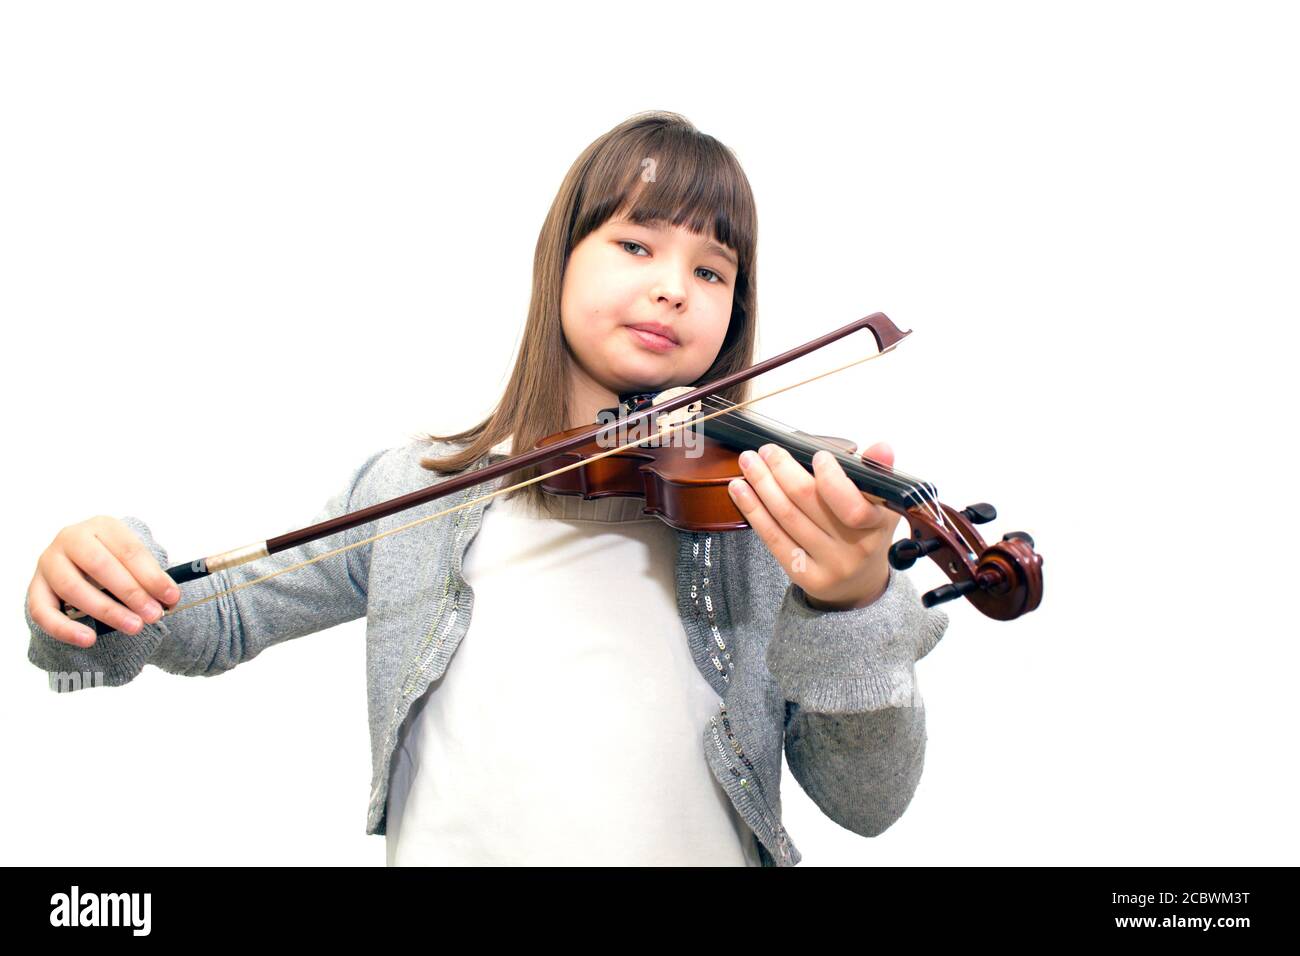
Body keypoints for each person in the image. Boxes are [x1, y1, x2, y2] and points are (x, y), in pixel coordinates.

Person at [25, 110, 949, 866]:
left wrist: (852, 607)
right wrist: (100, 577)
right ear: (561, 262)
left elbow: (870, 802)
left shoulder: (777, 520)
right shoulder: (417, 495)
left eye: (711, 270)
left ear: (734, 314)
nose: (674, 288)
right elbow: (215, 619)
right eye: (636, 245)